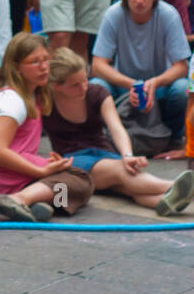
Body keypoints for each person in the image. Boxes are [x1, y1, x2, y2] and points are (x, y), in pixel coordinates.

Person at [46, 47, 194, 213]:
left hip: (103, 153)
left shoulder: (97, 93)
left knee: (130, 187)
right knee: (124, 172)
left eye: (85, 80)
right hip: (73, 160)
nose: (84, 88)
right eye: (75, 85)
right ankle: (174, 187)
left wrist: (127, 155)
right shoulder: (45, 101)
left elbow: (116, 127)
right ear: (56, 86)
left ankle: (165, 202)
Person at [0, 32, 93, 222]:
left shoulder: (33, 94)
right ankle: (17, 199)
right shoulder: (13, 100)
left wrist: (45, 165)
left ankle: (36, 206)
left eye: (45, 60)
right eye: (35, 62)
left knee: (72, 184)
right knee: (79, 181)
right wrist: (40, 171)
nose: (43, 67)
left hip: (5, 170)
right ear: (17, 67)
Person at [91, 0, 189, 145]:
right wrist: (131, 84)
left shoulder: (168, 14)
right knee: (96, 86)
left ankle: (173, 138)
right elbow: (98, 65)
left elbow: (182, 66)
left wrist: (155, 83)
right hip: (123, 86)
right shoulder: (114, 14)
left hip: (160, 86)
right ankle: (105, 138)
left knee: (182, 89)